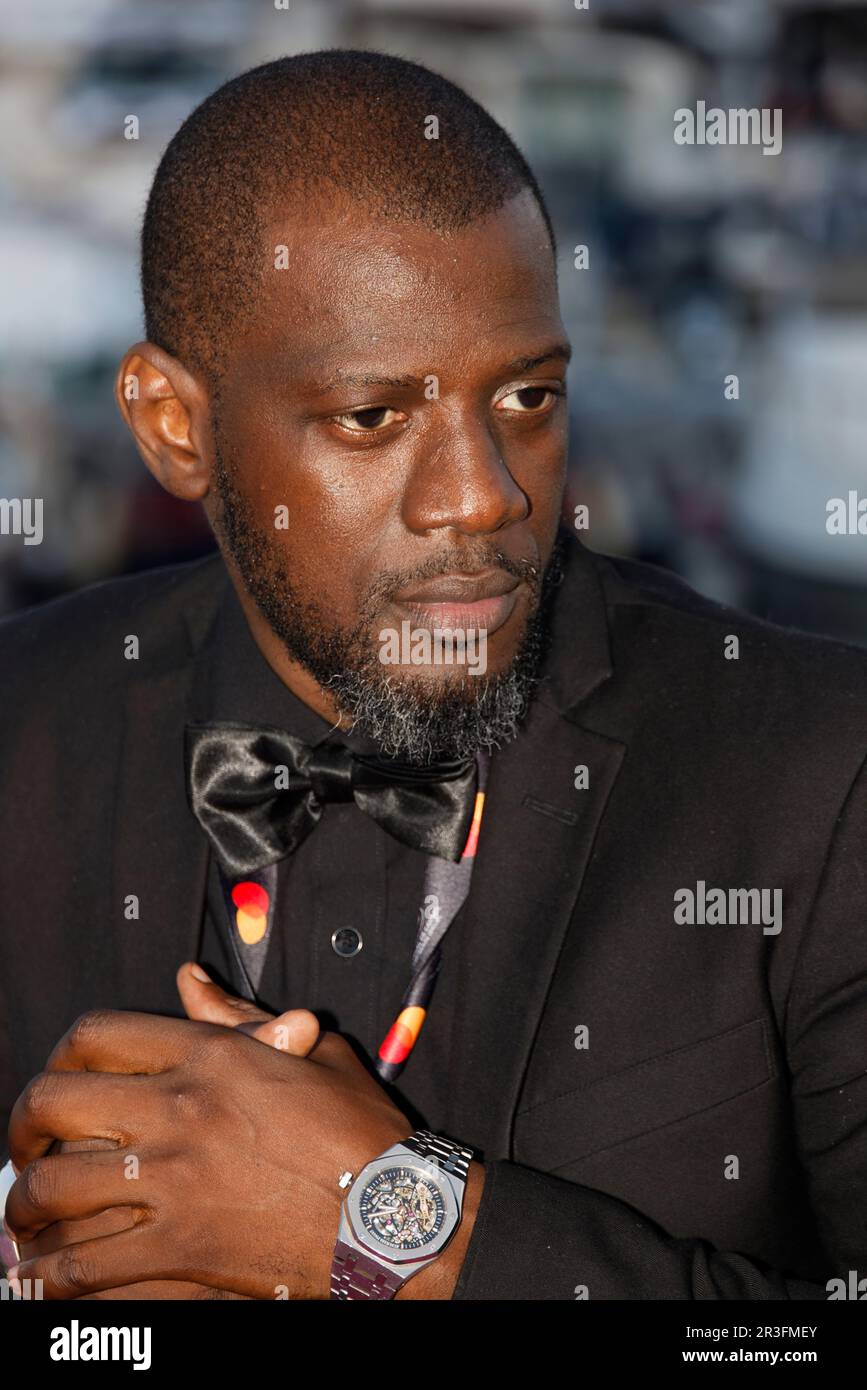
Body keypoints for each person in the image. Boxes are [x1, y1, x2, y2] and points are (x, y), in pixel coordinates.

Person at [2, 50, 867, 1301]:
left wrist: (410, 1232)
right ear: (172, 426)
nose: (486, 496)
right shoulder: (21, 728)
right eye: (372, 417)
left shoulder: (820, 774)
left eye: (527, 395)